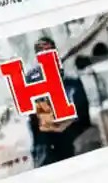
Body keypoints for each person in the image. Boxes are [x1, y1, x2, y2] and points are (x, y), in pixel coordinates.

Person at [26, 36, 92, 168]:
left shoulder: (73, 84)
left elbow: (85, 118)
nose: (47, 57)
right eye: (42, 54)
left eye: (49, 52)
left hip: (77, 146)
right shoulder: (37, 89)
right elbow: (43, 125)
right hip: (52, 153)